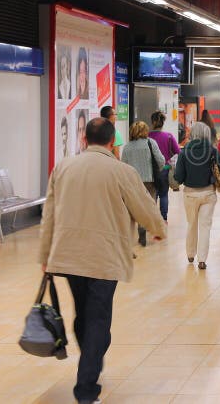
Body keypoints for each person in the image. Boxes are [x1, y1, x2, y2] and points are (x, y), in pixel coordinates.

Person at [39, 117, 166, 404]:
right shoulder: (121, 171)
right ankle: (86, 388)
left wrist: (45, 254)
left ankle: (91, 360)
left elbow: (50, 215)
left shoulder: (63, 168)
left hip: (69, 257)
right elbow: (143, 204)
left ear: (85, 140)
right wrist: (158, 230)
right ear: (112, 143)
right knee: (97, 320)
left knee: (84, 316)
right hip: (104, 259)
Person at [174, 122, 220, 269]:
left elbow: (178, 177)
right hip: (208, 193)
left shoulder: (184, 152)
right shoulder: (212, 150)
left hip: (190, 194)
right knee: (205, 226)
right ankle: (202, 260)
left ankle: (190, 254)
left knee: (191, 224)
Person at [121, 121, 165, 246]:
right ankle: (152, 229)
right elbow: (161, 161)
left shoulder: (127, 147)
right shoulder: (151, 143)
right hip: (150, 181)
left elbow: (123, 165)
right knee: (150, 205)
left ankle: (141, 231)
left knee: (137, 206)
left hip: (133, 182)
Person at [148, 111, 180, 223]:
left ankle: (153, 219)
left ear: (152, 122)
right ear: (163, 123)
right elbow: (178, 151)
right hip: (165, 169)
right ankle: (164, 218)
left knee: (152, 195)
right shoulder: (169, 136)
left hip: (150, 170)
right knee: (163, 194)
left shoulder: (147, 136)